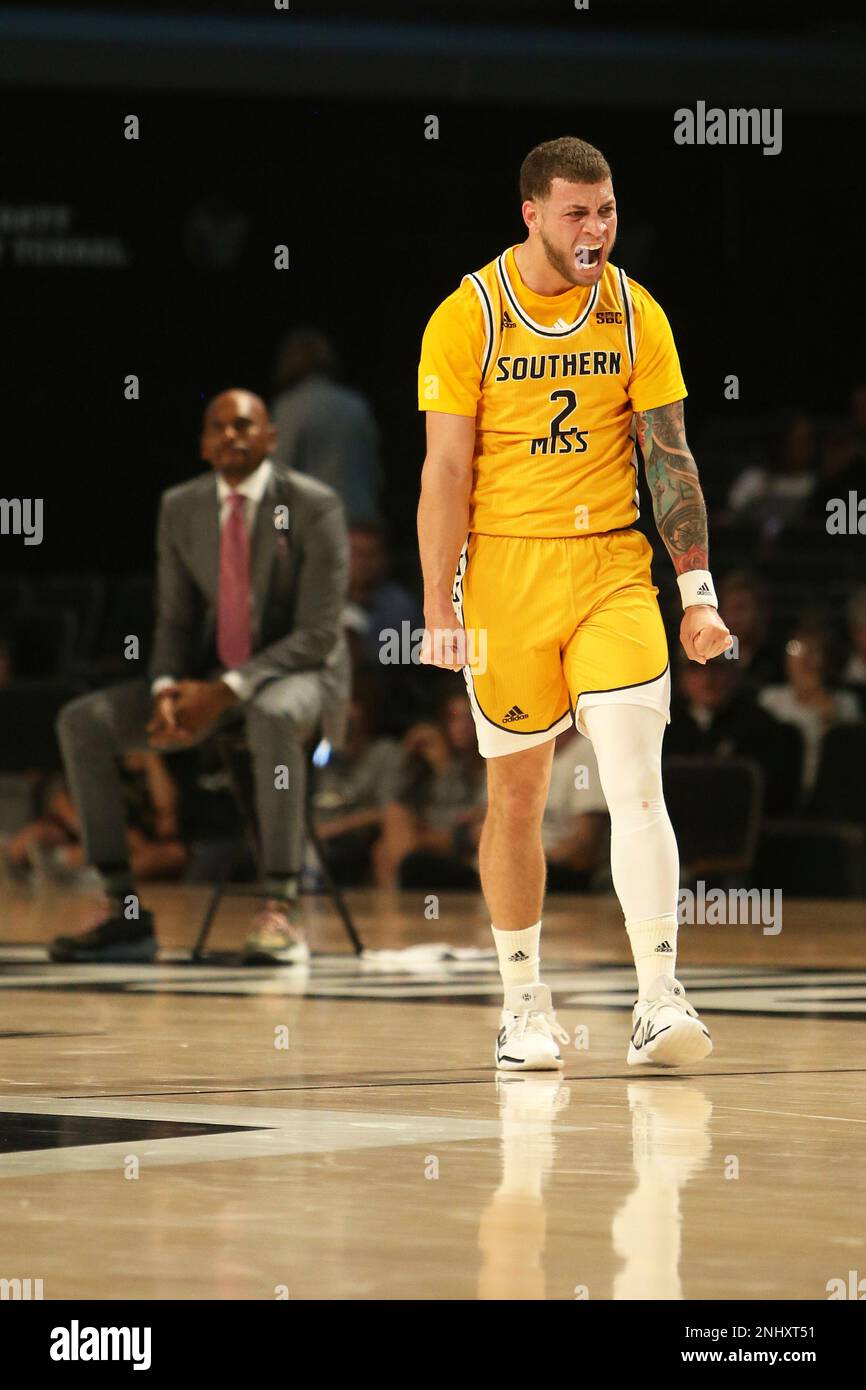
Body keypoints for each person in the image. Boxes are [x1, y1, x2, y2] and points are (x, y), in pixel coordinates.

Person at [417, 135, 730, 1072]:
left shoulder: (638, 314)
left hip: (609, 567)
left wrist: (697, 595)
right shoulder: (467, 315)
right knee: (517, 798)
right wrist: (439, 603)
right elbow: (444, 469)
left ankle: (659, 999)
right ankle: (522, 1006)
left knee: (636, 777)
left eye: (607, 212)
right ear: (532, 215)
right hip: (505, 572)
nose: (595, 231)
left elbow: (669, 455)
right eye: (576, 214)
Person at [49, 388, 350, 964]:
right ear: (204, 444)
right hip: (211, 680)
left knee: (272, 711)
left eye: (244, 425)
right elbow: (175, 619)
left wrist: (225, 690)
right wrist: (166, 688)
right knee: (83, 721)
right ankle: (124, 912)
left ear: (270, 438)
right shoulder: (181, 506)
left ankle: (280, 909)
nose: (231, 435)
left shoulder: (314, 506)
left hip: (304, 677)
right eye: (219, 427)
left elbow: (319, 633)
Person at [373, 693, 486, 889]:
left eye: (469, 717)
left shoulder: (486, 761)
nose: (463, 726)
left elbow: (475, 808)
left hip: (463, 836)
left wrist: (445, 767)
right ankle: (397, 909)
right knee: (388, 834)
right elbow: (391, 798)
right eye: (455, 718)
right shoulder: (426, 761)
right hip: (427, 834)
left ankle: (412, 882)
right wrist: (406, 754)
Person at [270, 328, 382, 525]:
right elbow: (376, 472)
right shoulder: (357, 405)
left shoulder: (288, 408)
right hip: (361, 522)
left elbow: (280, 477)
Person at [758, 620, 861, 798]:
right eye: (796, 648)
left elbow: (848, 761)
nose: (805, 658)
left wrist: (829, 713)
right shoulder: (770, 698)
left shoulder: (846, 702)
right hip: (779, 789)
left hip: (830, 793)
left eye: (815, 650)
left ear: (828, 659)